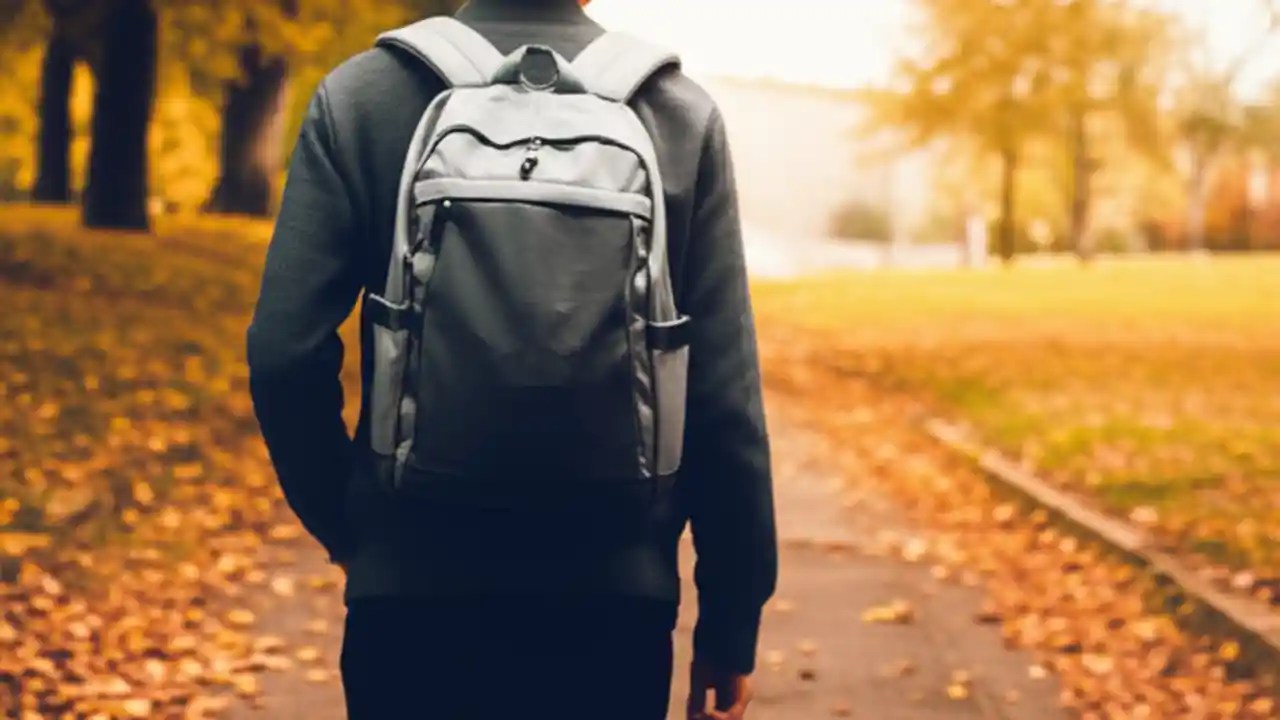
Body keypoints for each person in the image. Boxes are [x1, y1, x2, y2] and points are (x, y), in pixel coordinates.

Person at [246, 0, 776, 718]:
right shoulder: (676, 115)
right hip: (613, 604)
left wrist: (353, 527)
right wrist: (730, 621)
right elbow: (724, 395)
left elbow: (284, 353)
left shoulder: (363, 96)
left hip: (410, 596)